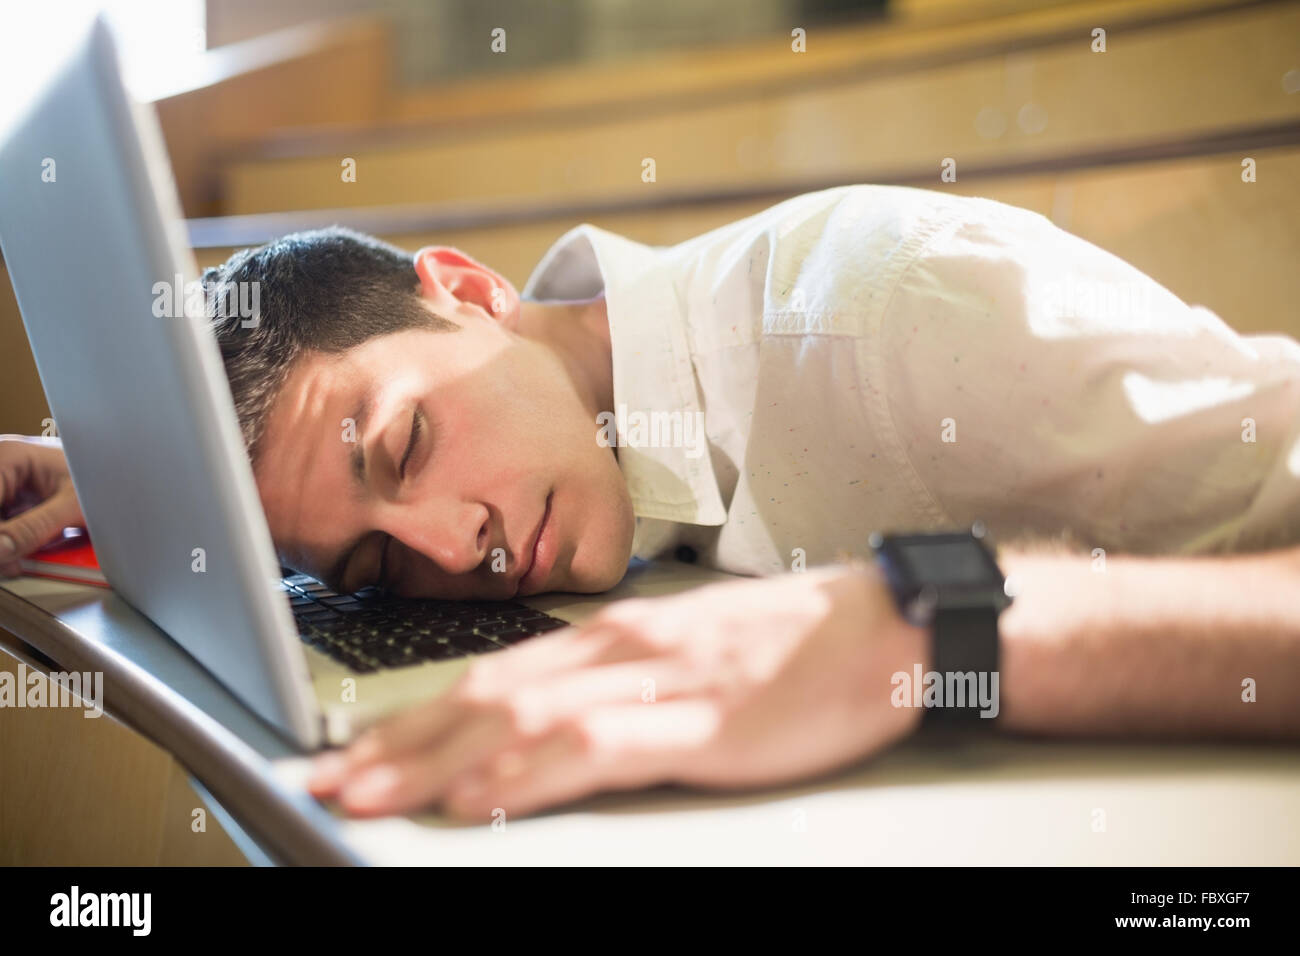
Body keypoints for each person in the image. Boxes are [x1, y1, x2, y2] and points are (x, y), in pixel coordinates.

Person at [3, 184, 1299, 818]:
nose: (462, 548)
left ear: (461, 285)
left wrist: (919, 630)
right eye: (375, 575)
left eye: (401, 449)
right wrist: (127, 483)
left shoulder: (903, 310)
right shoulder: (590, 417)